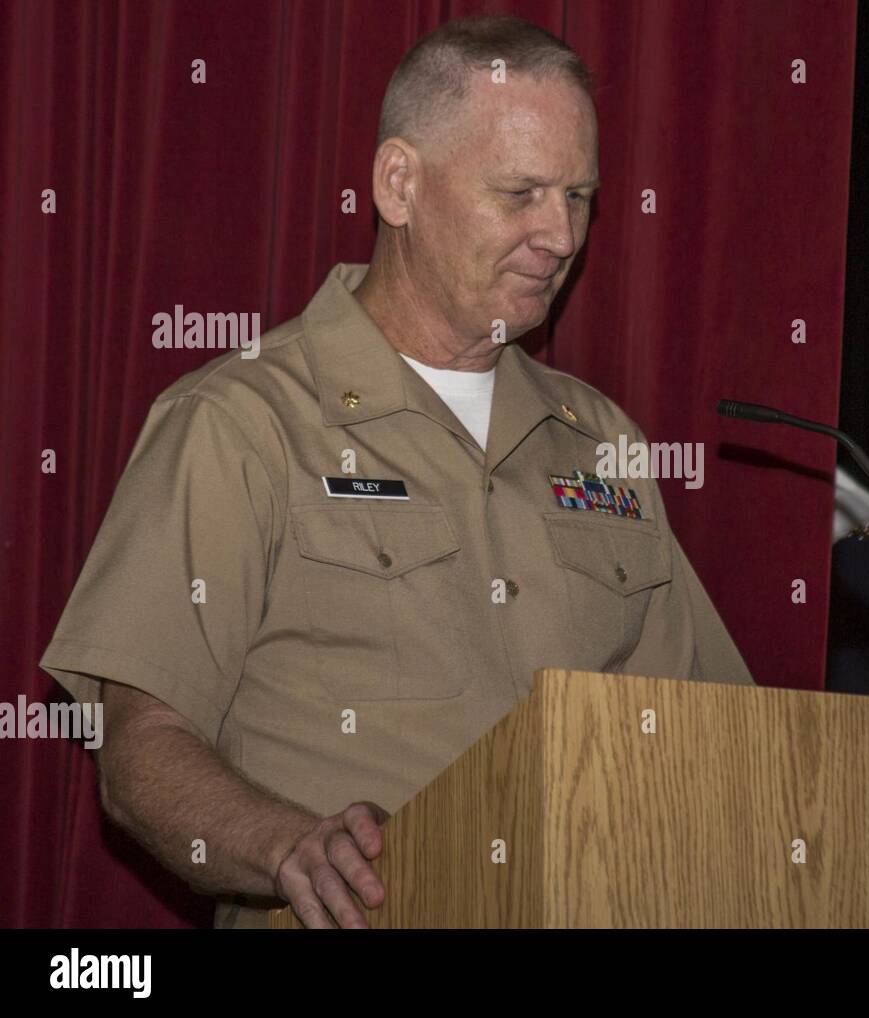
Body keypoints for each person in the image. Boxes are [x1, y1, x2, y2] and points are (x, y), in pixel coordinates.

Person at [40, 14, 753, 930]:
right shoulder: (242, 424)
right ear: (399, 184)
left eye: (580, 195)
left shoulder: (600, 438)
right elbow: (142, 751)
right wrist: (288, 845)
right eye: (521, 192)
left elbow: (713, 737)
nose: (561, 235)